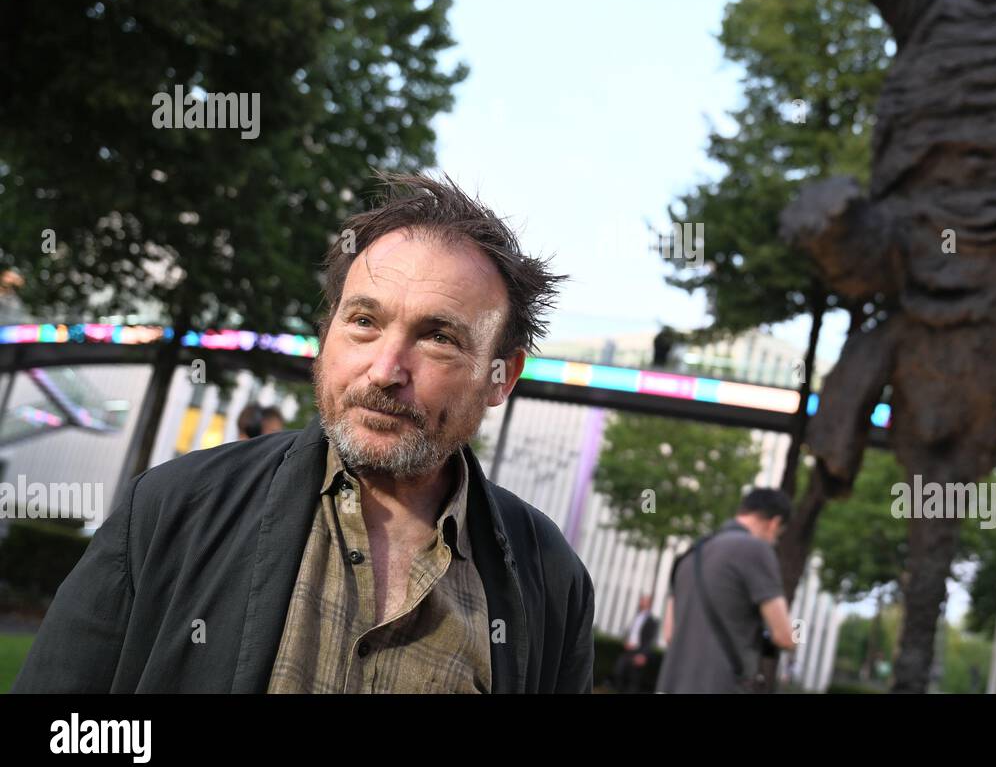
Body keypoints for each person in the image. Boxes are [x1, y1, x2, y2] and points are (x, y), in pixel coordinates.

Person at [14, 171, 594, 693]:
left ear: (501, 375)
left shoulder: (552, 582)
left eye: (438, 337)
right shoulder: (172, 510)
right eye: (364, 321)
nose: (386, 371)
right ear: (327, 332)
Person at [655, 489, 796, 693]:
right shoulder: (756, 550)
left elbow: (669, 633)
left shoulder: (689, 554)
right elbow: (783, 635)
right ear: (774, 523)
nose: (774, 541)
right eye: (778, 535)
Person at [611, 594, 658, 693]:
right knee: (619, 671)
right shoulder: (637, 616)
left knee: (634, 680)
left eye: (643, 600)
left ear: (649, 603)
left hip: (639, 652)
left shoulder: (652, 620)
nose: (640, 601)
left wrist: (643, 655)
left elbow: (650, 640)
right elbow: (631, 632)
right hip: (628, 651)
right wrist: (626, 641)